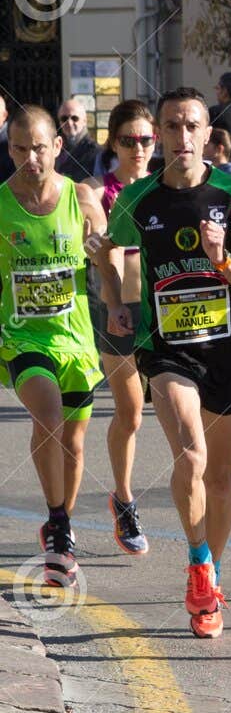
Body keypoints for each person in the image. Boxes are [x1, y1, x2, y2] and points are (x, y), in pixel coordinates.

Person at [107, 88, 231, 638]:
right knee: (193, 456)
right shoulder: (139, 198)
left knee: (220, 479)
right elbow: (109, 246)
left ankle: (212, 579)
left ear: (206, 133)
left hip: (225, 350)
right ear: (161, 134)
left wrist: (222, 258)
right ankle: (198, 565)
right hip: (167, 352)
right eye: (170, 128)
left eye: (191, 127)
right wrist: (115, 304)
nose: (180, 138)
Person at [0, 108, 115, 586]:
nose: (30, 158)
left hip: (76, 338)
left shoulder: (82, 198)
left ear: (57, 147)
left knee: (72, 441)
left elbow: (106, 258)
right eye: (21, 148)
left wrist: (118, 302)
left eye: (39, 148)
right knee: (47, 418)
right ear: (10, 150)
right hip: (22, 338)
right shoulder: (0, 206)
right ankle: (61, 531)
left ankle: (57, 519)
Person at [91, 100, 157, 556]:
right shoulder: (99, 192)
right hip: (120, 313)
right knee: (131, 413)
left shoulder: (167, 188)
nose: (139, 148)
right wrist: (115, 302)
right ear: (114, 143)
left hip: (169, 311)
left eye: (146, 139)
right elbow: (103, 252)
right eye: (129, 140)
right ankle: (124, 498)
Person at [54, 98, 99, 181]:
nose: (69, 123)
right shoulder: (55, 149)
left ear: (84, 121)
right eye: (64, 119)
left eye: (74, 118)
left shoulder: (96, 152)